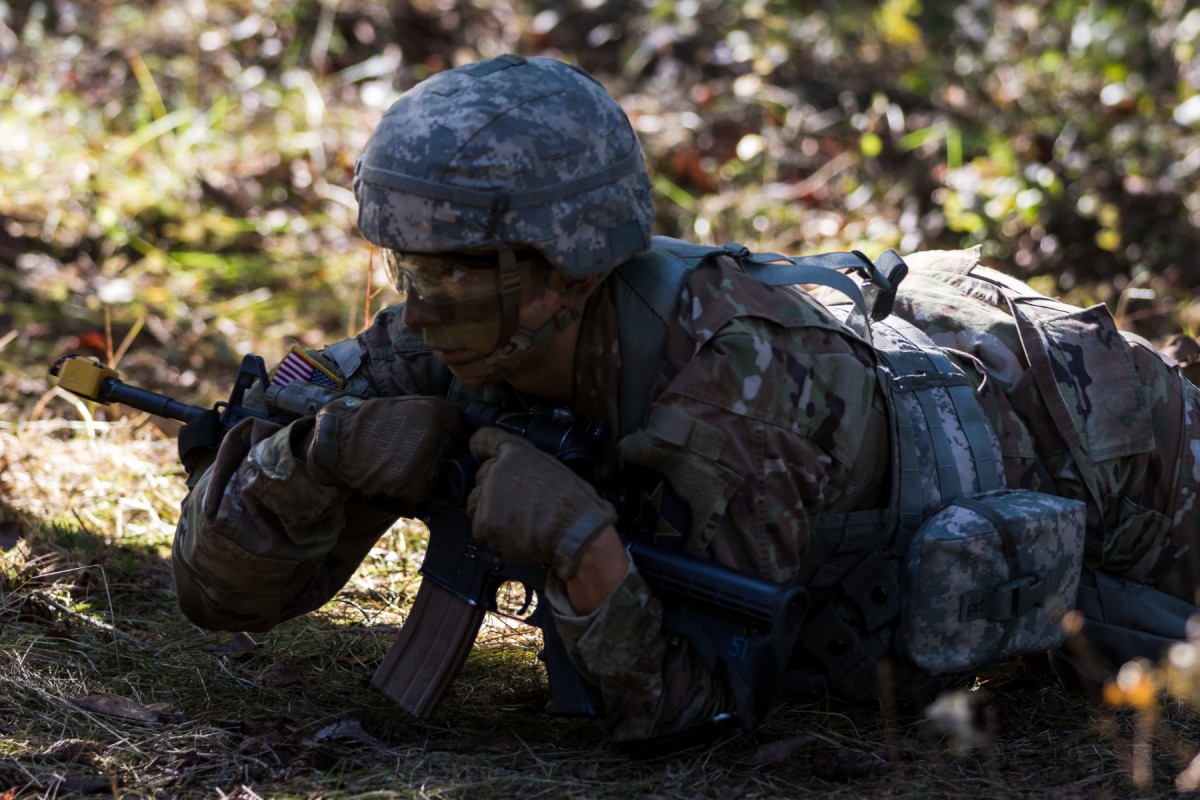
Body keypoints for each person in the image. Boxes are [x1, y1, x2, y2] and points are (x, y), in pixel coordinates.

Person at [171, 55, 1200, 749]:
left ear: (566, 272)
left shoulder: (732, 391)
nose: (424, 305)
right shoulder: (451, 331)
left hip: (1096, 423)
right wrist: (308, 464)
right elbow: (217, 595)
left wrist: (583, 549)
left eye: (462, 271)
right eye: (409, 265)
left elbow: (703, 711)